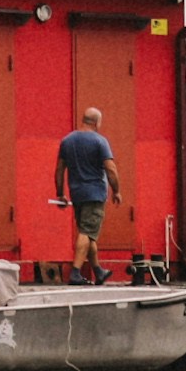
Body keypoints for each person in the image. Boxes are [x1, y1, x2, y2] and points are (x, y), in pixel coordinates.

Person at [56, 108, 120, 283]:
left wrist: (60, 193)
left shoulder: (67, 141)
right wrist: (116, 190)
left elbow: (60, 169)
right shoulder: (100, 141)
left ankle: (98, 271)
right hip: (95, 194)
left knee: (88, 232)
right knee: (86, 232)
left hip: (77, 193)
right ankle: (75, 272)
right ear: (97, 122)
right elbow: (111, 169)